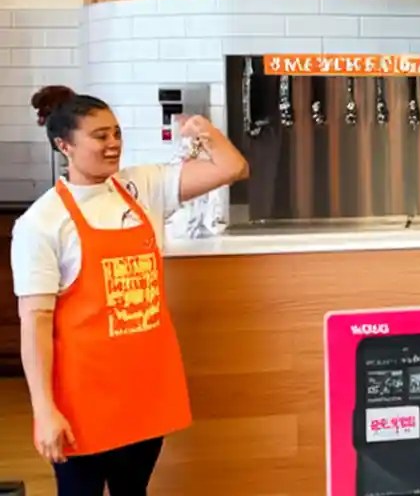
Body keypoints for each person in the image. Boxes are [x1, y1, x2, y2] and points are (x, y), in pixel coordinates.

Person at [9, 85, 249, 495]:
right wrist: (44, 410)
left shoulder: (142, 187)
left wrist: (202, 129)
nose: (113, 144)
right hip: (82, 397)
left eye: (116, 133)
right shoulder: (42, 222)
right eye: (100, 136)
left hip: (144, 388)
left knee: (133, 490)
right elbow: (35, 322)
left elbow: (232, 168)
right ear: (64, 145)